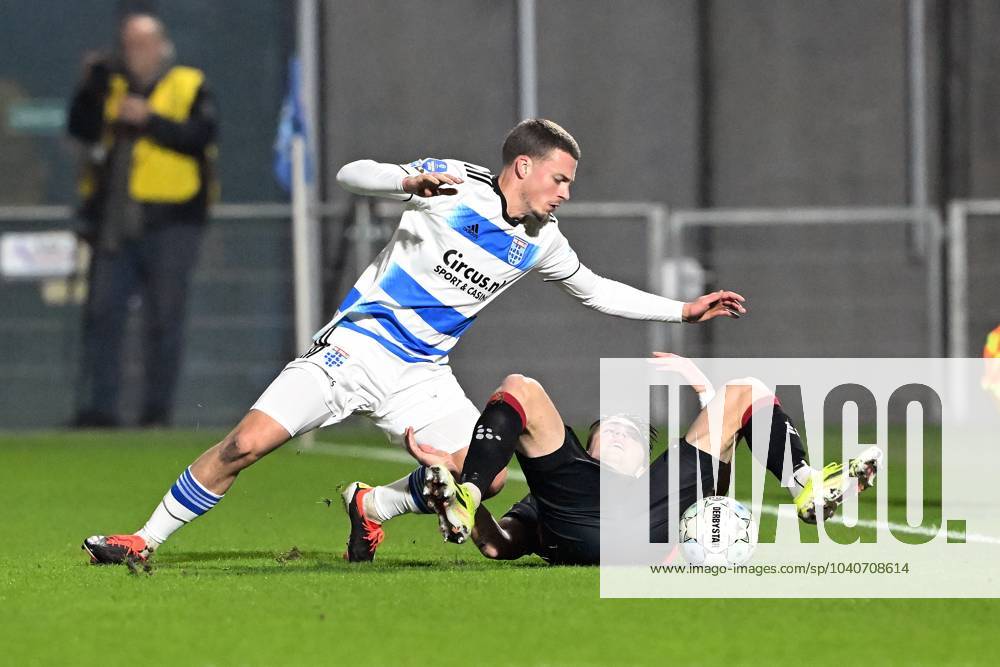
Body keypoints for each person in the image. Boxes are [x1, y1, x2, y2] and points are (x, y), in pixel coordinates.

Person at [83, 119, 744, 565]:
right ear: (524, 166)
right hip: (354, 350)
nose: (566, 192)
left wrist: (684, 310)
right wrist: (404, 181)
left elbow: (596, 290)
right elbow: (350, 173)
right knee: (243, 445)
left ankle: (372, 504)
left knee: (481, 472)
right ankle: (143, 538)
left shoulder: (542, 241)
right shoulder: (453, 183)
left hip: (422, 373)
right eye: (561, 178)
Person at [408, 354, 882, 565]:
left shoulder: (664, 481)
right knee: (519, 386)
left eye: (629, 431)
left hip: (651, 522)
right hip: (579, 514)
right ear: (585, 447)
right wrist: (464, 502)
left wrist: (703, 389)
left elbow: (715, 484)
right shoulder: (556, 488)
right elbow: (500, 544)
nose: (616, 430)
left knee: (746, 389)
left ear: (643, 458)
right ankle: (467, 491)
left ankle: (804, 481)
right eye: (605, 429)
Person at [68, 13, 218, 428]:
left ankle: (157, 412)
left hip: (172, 222)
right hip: (115, 224)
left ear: (162, 45)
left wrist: (148, 119)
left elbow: (201, 135)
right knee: (102, 315)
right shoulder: (109, 86)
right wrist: (89, 86)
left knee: (164, 319)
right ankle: (101, 408)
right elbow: (79, 127)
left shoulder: (187, 83)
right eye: (130, 44)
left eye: (144, 43)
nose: (137, 53)